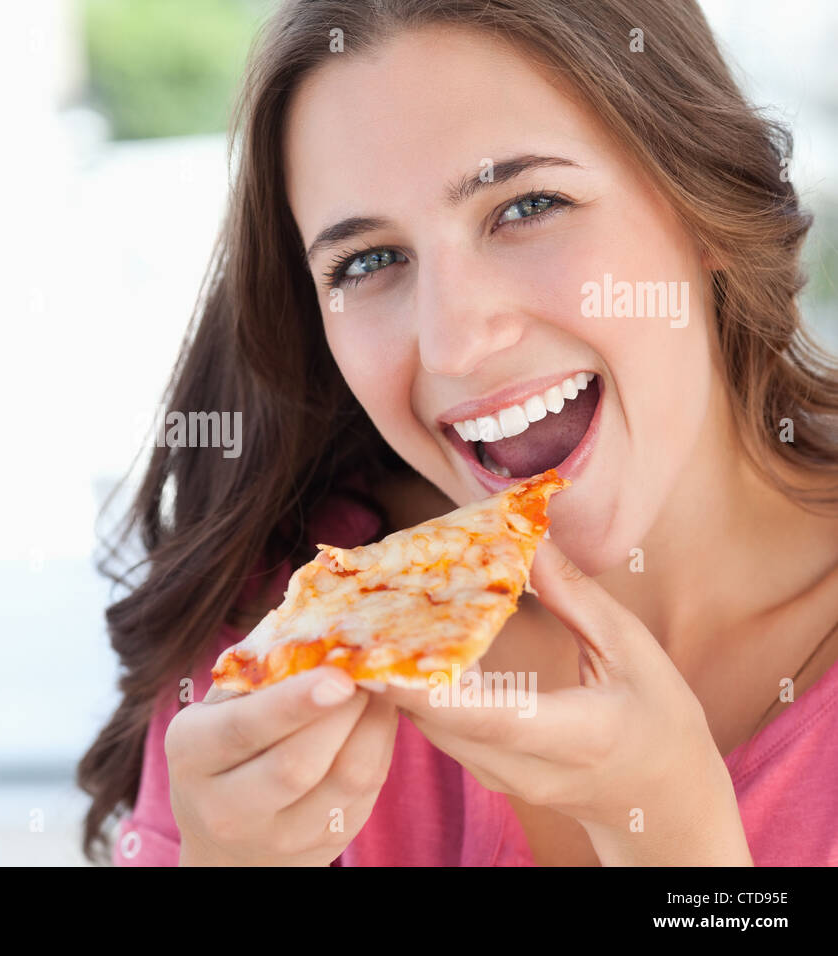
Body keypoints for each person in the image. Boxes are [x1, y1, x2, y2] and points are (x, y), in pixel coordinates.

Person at [78, 0, 838, 866]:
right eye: (367, 262)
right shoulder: (284, 643)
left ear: (700, 203)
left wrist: (672, 835)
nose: (454, 342)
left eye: (528, 206)